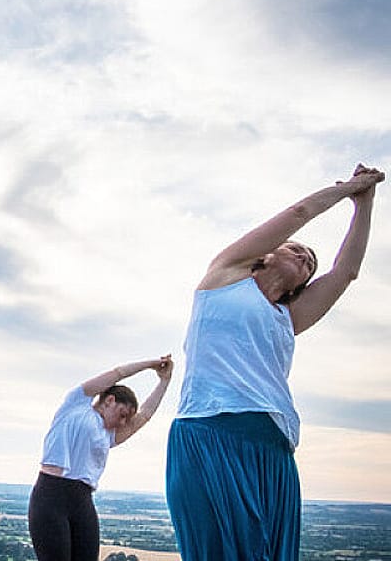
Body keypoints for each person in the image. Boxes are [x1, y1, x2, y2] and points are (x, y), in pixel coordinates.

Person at [166, 163, 383, 561]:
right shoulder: (224, 276)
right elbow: (299, 214)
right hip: (212, 432)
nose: (307, 257)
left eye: (310, 265)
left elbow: (346, 271)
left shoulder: (289, 319)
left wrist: (364, 204)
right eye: (297, 249)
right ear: (266, 255)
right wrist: (350, 187)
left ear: (302, 286)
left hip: (274, 447)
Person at [28, 356, 173, 561]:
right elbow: (118, 373)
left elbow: (145, 415)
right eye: (122, 414)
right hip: (51, 497)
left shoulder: (109, 435)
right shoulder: (76, 404)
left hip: (83, 500)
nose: (123, 423)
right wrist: (150, 365)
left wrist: (164, 382)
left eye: (127, 419)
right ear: (109, 400)